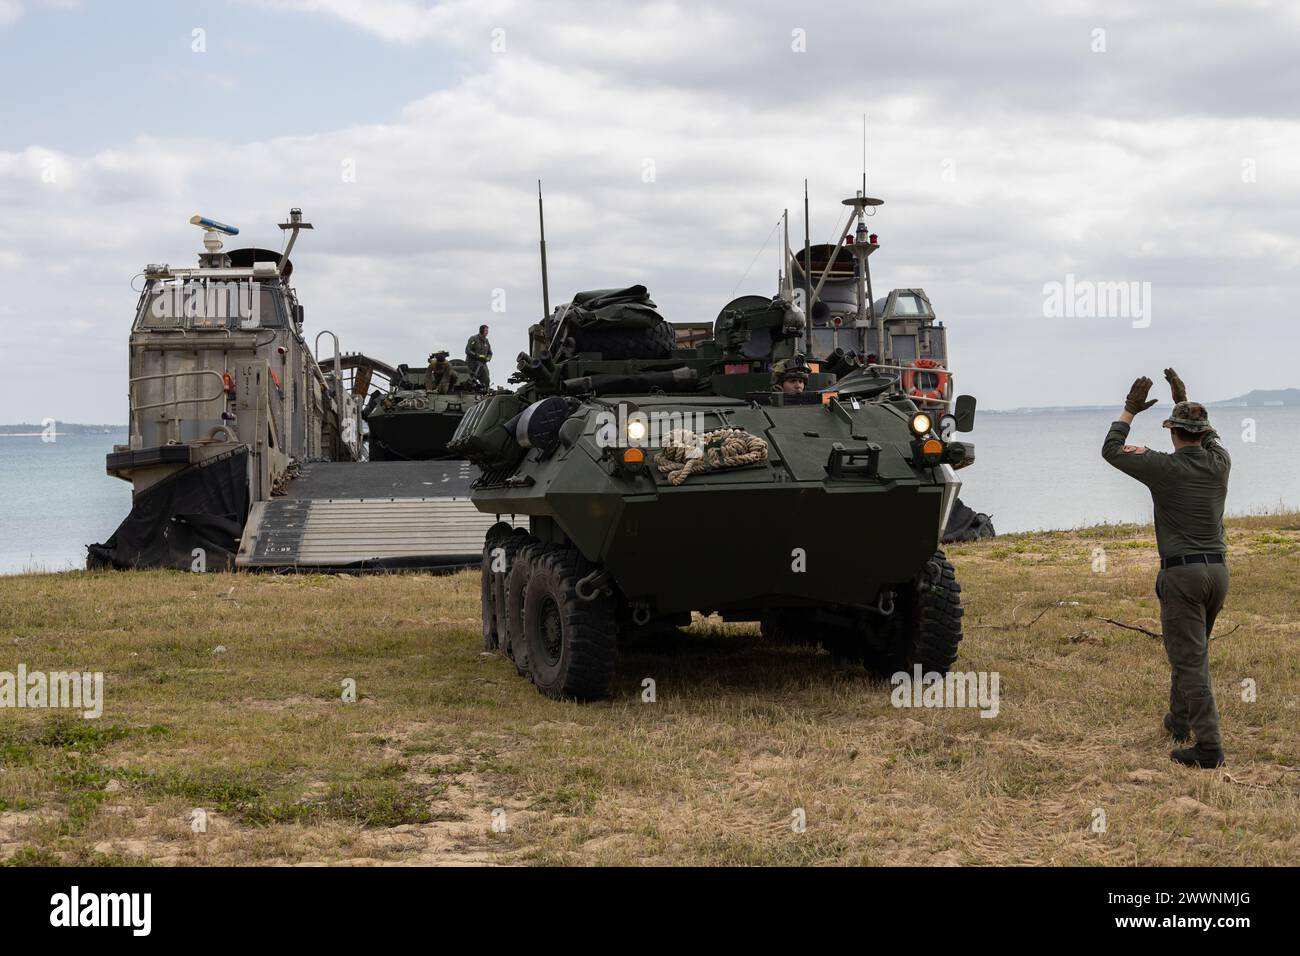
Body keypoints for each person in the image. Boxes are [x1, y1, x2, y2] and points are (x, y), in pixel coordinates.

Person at [1101, 368, 1231, 769]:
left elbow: (1110, 449)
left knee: (1190, 660)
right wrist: (1183, 399)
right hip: (1217, 574)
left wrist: (1129, 410)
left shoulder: (1163, 467)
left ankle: (1208, 747)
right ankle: (1179, 721)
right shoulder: (1220, 462)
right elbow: (1210, 436)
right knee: (1189, 649)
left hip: (1183, 575)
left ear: (1173, 433)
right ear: (1203, 430)